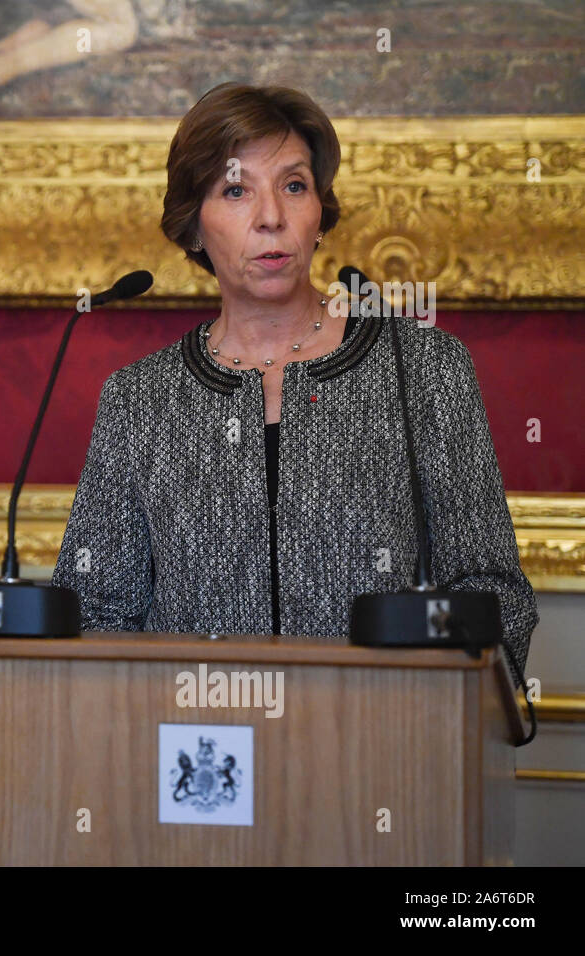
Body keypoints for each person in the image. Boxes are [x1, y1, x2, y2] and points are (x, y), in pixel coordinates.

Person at [52, 82, 537, 672]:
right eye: (236, 190)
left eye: (294, 186)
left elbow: (494, 596)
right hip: (200, 745)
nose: (272, 218)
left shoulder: (424, 371)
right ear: (194, 227)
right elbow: (95, 612)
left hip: (381, 743)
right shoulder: (140, 400)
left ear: (320, 215)